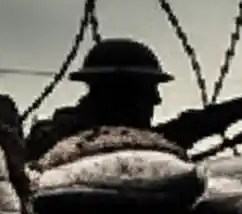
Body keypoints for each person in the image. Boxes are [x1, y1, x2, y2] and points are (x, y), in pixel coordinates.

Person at [25, 37, 172, 161]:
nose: (157, 100)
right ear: (117, 92)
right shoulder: (55, 144)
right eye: (148, 89)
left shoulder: (62, 138)